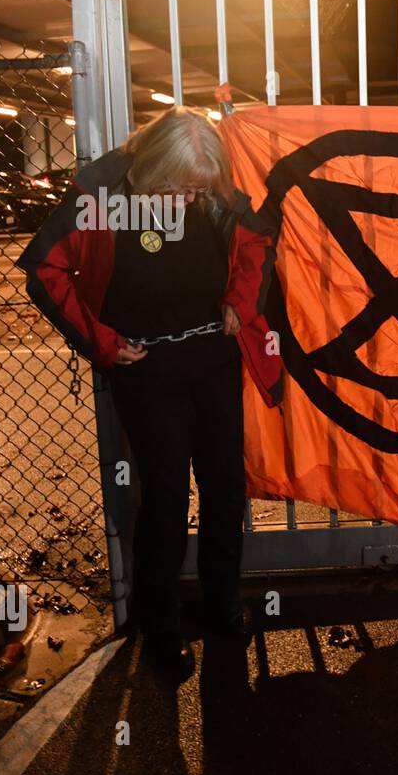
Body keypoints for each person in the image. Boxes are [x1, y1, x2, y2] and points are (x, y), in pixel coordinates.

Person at [17, 106, 283, 681]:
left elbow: (259, 239)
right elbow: (44, 268)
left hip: (213, 361)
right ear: (151, 171)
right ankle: (159, 626)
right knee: (163, 499)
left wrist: (240, 303)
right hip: (146, 372)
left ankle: (220, 605)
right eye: (180, 188)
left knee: (225, 489)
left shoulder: (211, 191)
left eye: (200, 188)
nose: (191, 199)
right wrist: (105, 345)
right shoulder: (101, 194)